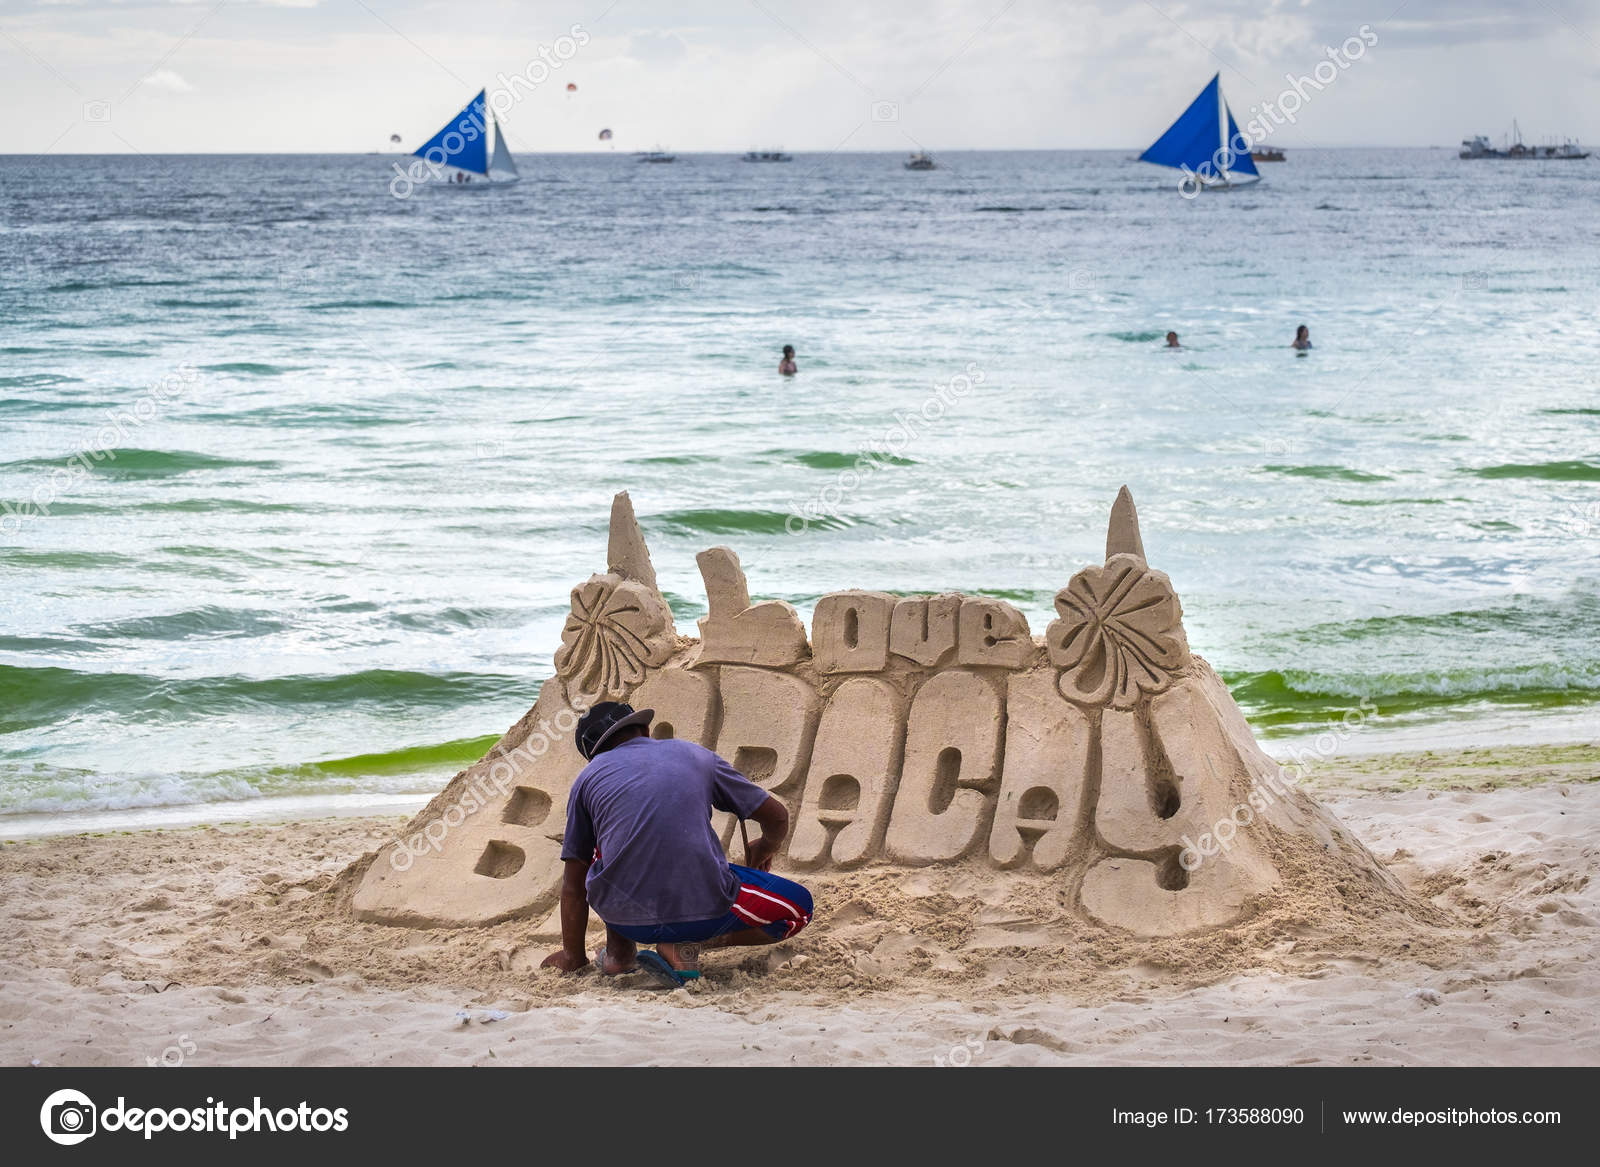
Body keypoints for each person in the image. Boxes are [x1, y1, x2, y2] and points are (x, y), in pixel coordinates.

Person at [541, 702, 812, 988]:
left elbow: (574, 884)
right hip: (704, 906)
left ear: (593, 755)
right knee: (800, 909)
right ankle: (685, 944)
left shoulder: (587, 779)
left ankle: (619, 954)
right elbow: (777, 816)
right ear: (646, 730)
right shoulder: (695, 755)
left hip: (626, 919)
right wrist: (767, 846)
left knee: (606, 844)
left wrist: (573, 957)